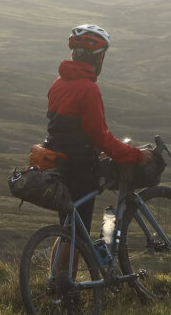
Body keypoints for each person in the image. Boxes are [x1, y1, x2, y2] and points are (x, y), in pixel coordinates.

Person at [45, 24, 151, 242]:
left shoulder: (58, 84)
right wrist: (137, 155)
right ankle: (64, 277)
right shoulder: (88, 89)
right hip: (79, 170)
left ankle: (58, 275)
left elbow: (66, 130)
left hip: (59, 164)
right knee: (77, 237)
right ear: (99, 57)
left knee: (69, 229)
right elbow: (100, 136)